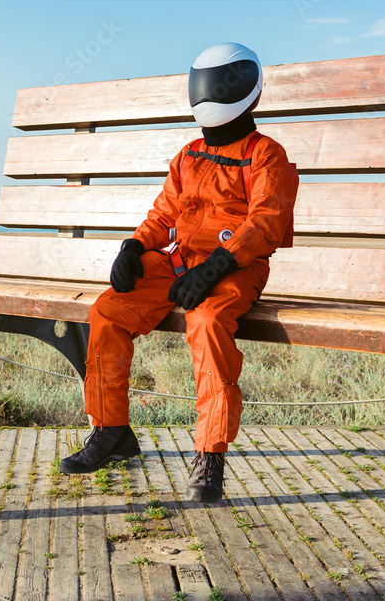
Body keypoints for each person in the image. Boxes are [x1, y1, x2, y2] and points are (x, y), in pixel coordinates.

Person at [60, 43, 299, 502]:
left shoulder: (264, 154)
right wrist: (136, 245)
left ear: (248, 88)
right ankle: (111, 430)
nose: (209, 93)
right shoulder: (189, 154)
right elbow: (165, 211)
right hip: (180, 262)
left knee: (207, 324)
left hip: (236, 268)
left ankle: (210, 455)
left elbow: (265, 223)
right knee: (108, 311)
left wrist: (217, 265)